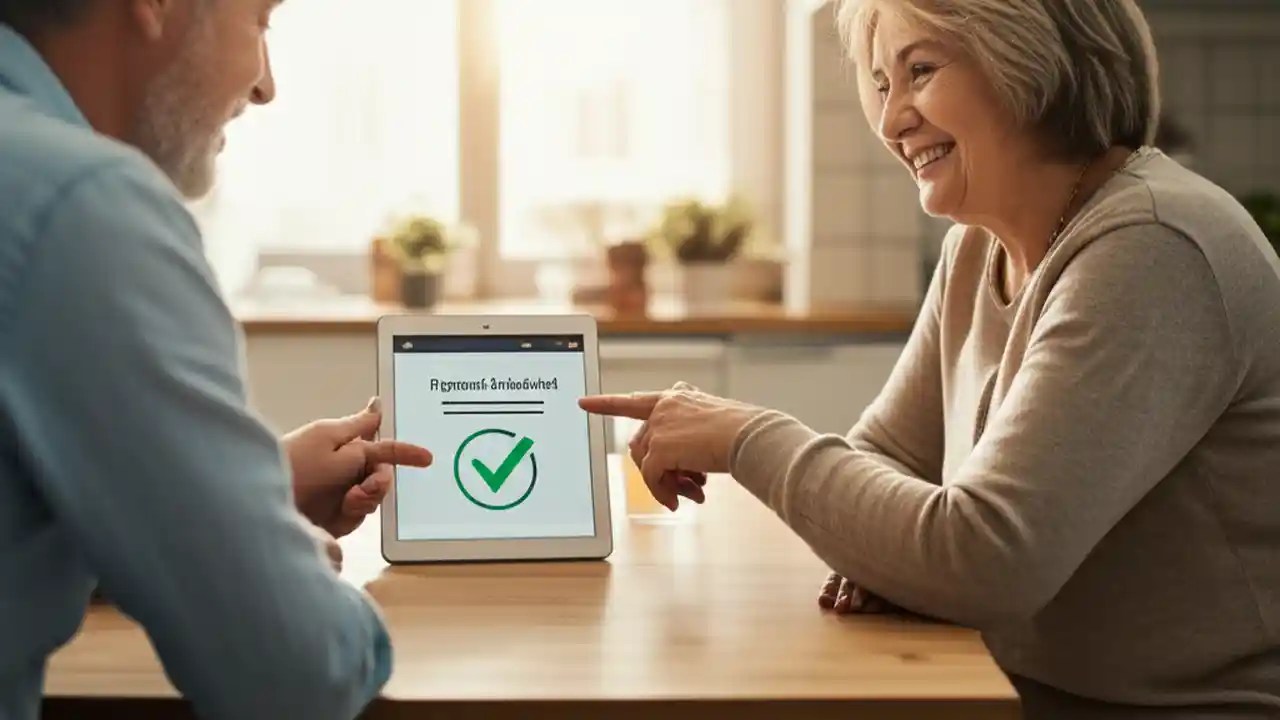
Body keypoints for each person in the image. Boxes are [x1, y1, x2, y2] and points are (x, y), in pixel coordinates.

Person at [581, 0, 1280, 716]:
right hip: (1011, 690)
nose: (891, 121)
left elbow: (985, 560)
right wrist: (887, 554)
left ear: (1033, 59)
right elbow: (887, 456)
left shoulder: (1154, 247)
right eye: (883, 84)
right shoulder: (977, 247)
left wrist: (747, 438)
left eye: (920, 71)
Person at [0, 0, 434, 718]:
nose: (266, 85)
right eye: (260, 20)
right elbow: (299, 672)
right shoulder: (79, 203)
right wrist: (273, 554)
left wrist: (223, 499)